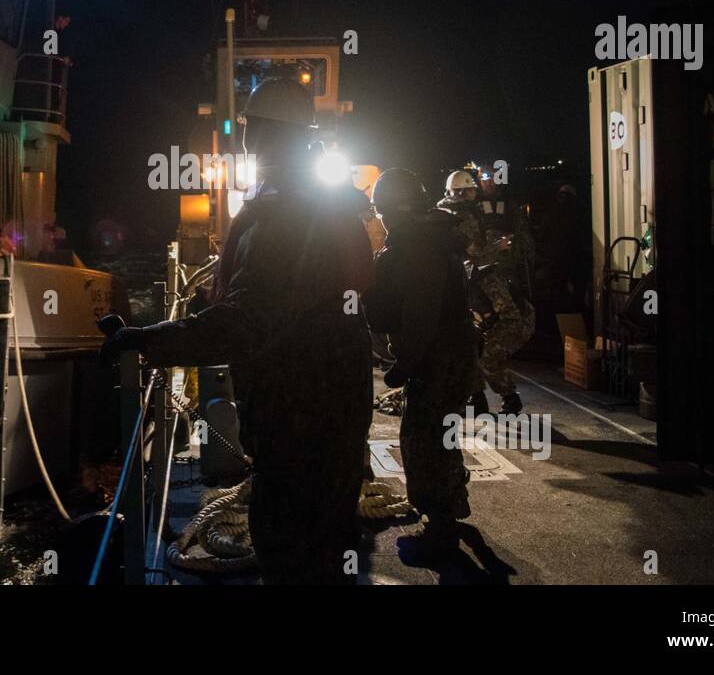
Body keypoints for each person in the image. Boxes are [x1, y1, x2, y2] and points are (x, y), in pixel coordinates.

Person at [102, 78, 374, 584]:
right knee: (328, 544)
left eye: (249, 129)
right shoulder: (315, 202)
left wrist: (150, 340)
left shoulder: (285, 217)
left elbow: (247, 321)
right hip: (332, 404)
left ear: (256, 137)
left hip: (299, 413)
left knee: (291, 550)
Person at [366, 169, 479, 557]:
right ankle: (451, 506)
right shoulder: (427, 239)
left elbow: (421, 314)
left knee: (422, 440)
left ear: (393, 209)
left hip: (439, 360)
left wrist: (404, 366)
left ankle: (440, 527)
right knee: (441, 435)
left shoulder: (420, 248)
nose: (379, 217)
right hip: (451, 357)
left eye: (381, 210)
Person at [438, 168, 534, 416]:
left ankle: (485, 399)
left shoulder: (446, 214)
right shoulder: (465, 218)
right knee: (479, 353)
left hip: (488, 303)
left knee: (475, 349)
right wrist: (498, 247)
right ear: (465, 192)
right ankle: (493, 398)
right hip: (494, 301)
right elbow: (476, 255)